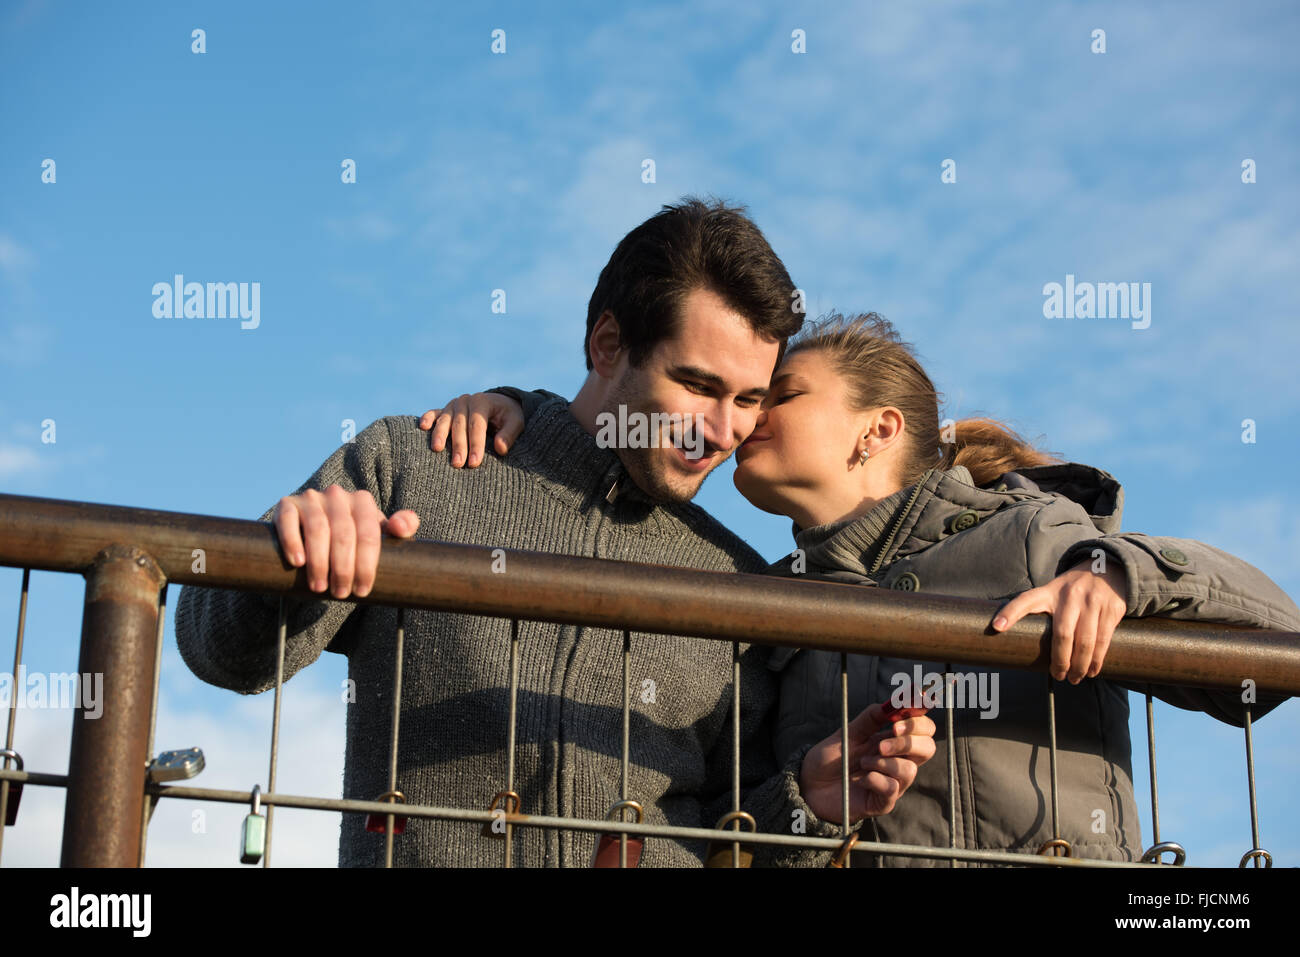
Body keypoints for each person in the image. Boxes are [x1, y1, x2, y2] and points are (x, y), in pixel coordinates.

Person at [173, 198, 938, 868]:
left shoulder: (739, 581)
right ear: (608, 345)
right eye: (697, 385)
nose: (722, 430)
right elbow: (217, 652)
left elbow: (736, 846)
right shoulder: (416, 463)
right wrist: (293, 548)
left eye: (747, 398)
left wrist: (807, 801)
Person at [429, 311, 1300, 865]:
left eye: (779, 395)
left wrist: (1117, 573)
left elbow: (1275, 633)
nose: (743, 417)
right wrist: (807, 789)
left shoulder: (1029, 532)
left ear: (875, 430)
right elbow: (734, 830)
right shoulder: (762, 604)